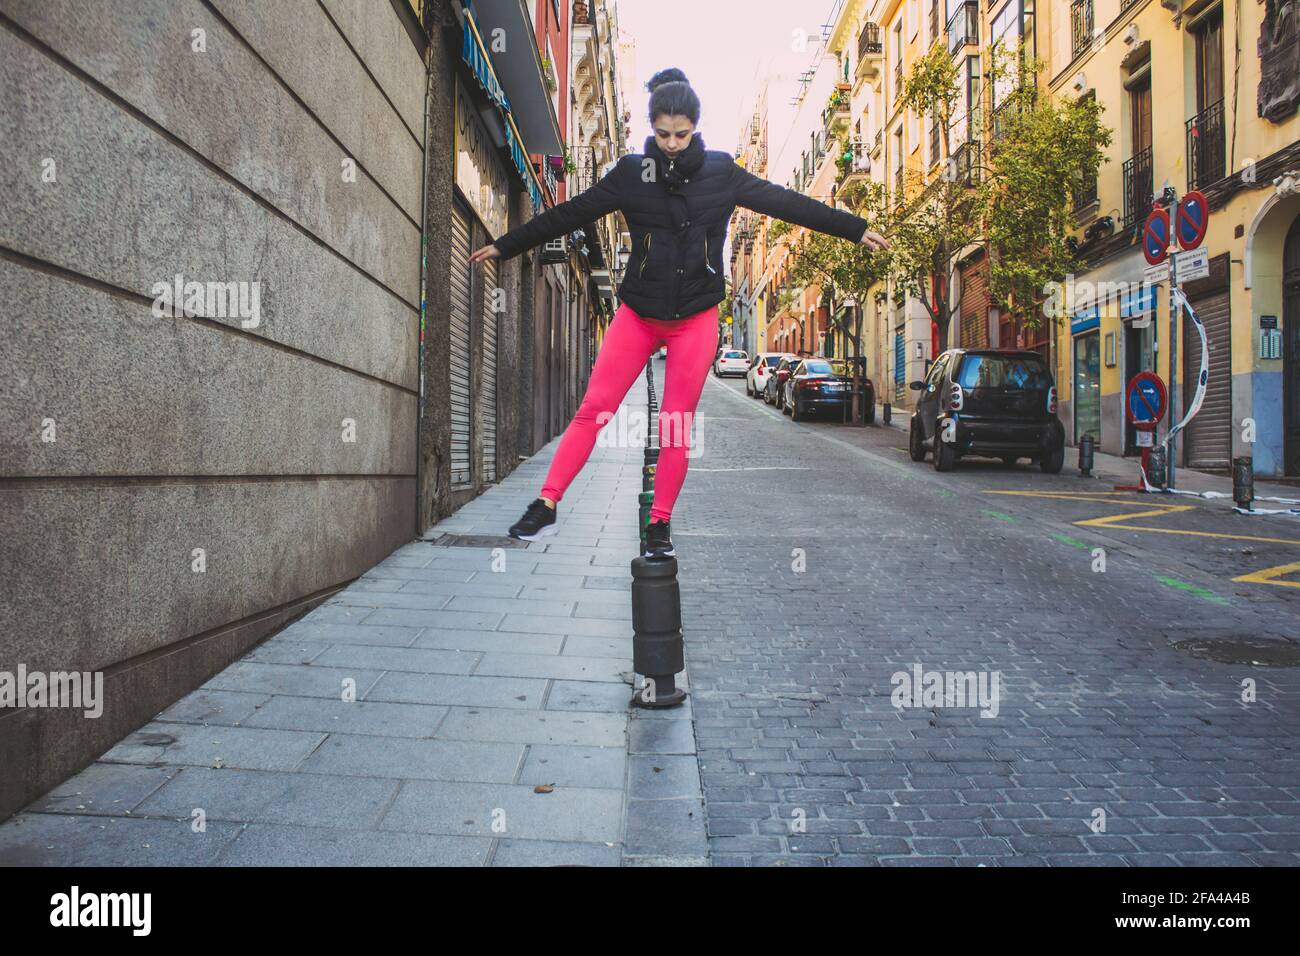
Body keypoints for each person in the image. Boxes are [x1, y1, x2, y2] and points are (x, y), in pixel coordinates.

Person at [468, 68, 888, 558]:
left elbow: (785, 202)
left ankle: (659, 526)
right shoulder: (631, 174)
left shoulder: (721, 172)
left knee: (673, 424)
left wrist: (854, 227)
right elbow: (572, 212)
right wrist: (506, 244)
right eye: (663, 134)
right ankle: (547, 503)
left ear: (695, 128)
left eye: (681, 134)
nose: (671, 143)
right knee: (594, 409)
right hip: (639, 312)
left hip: (695, 318)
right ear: (653, 128)